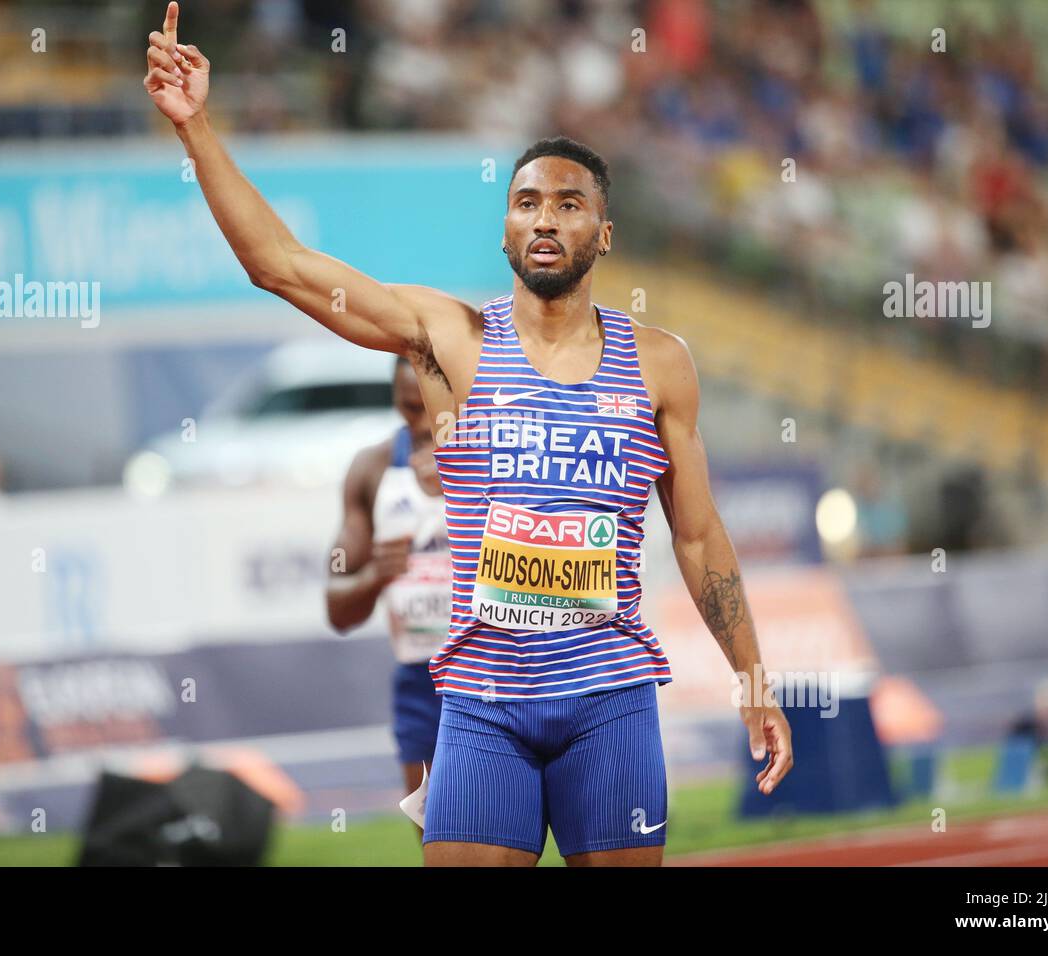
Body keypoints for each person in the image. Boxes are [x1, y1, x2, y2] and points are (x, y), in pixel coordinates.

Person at [143, 1, 792, 867]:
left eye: (569, 203)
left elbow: (701, 536)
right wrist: (198, 132)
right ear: (506, 228)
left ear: (605, 233)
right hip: (485, 704)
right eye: (528, 202)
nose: (546, 218)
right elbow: (282, 265)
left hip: (611, 702)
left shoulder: (660, 365)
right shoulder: (452, 341)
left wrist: (753, 677)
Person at [325, 355, 450, 838]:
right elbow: (338, 608)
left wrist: (463, 490)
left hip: (497, 672)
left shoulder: (493, 463)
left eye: (427, 408)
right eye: (405, 407)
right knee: (436, 835)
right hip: (421, 682)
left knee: (510, 835)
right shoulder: (374, 468)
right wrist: (377, 573)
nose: (416, 421)